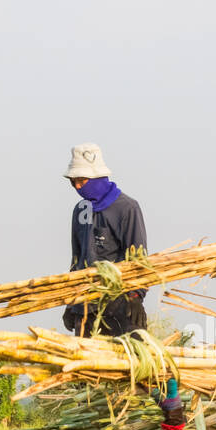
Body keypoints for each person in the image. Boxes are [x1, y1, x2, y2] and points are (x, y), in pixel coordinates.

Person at [61, 144, 149, 337]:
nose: (77, 187)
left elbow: (139, 259)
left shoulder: (126, 208)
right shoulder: (80, 210)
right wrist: (71, 302)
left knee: (127, 363)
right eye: (73, 181)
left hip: (119, 304)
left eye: (81, 181)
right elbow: (77, 260)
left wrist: (135, 296)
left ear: (96, 177)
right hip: (85, 307)